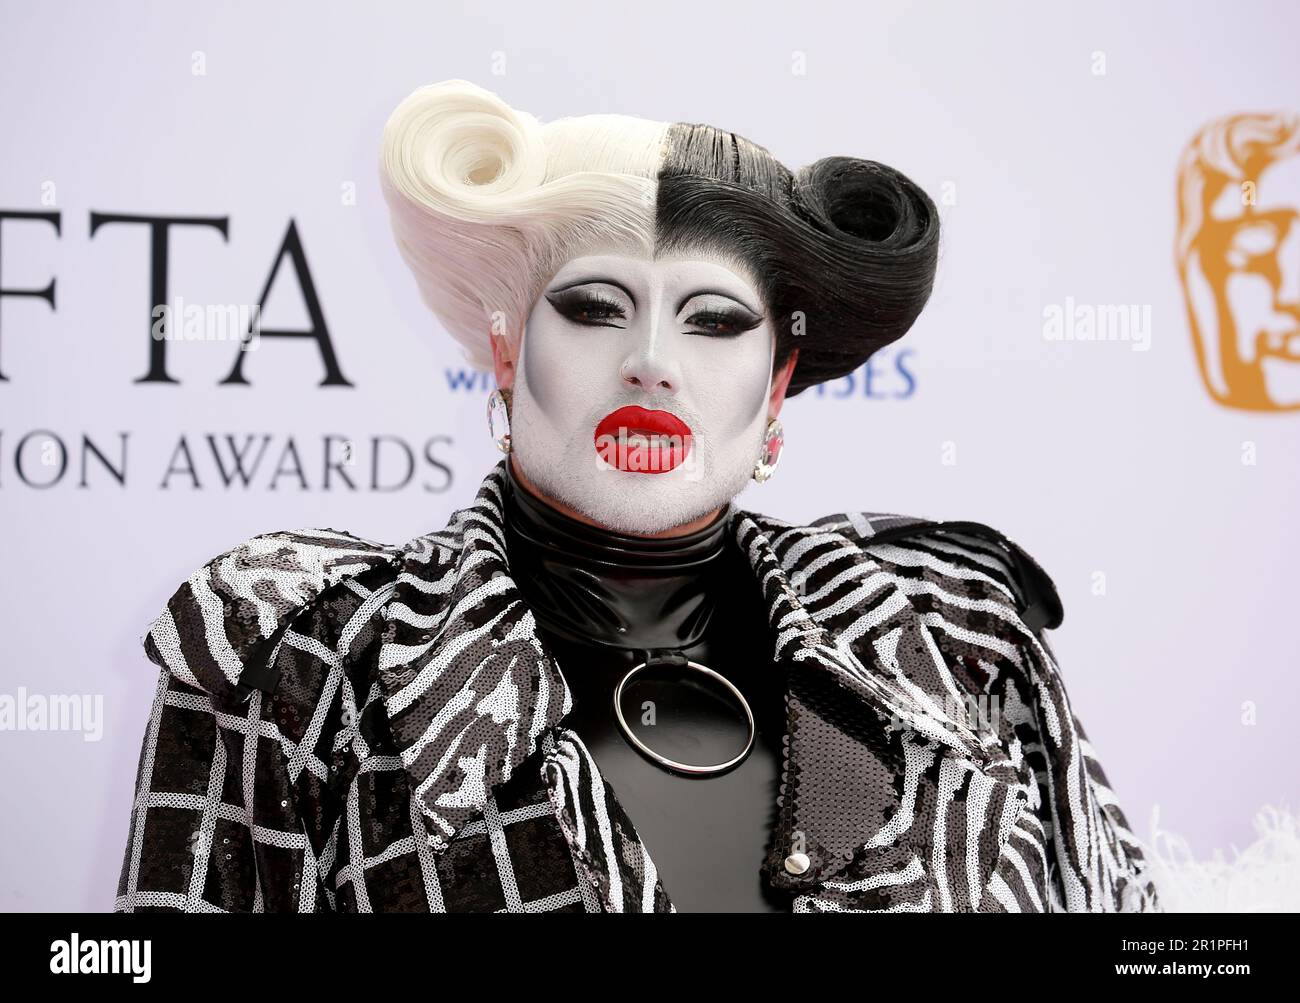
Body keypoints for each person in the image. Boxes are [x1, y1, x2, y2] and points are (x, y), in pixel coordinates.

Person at [114, 79, 1159, 913]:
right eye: (595, 307)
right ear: (505, 347)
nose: (652, 360)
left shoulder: (950, 636)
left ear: (777, 381)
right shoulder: (301, 654)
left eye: (714, 320)